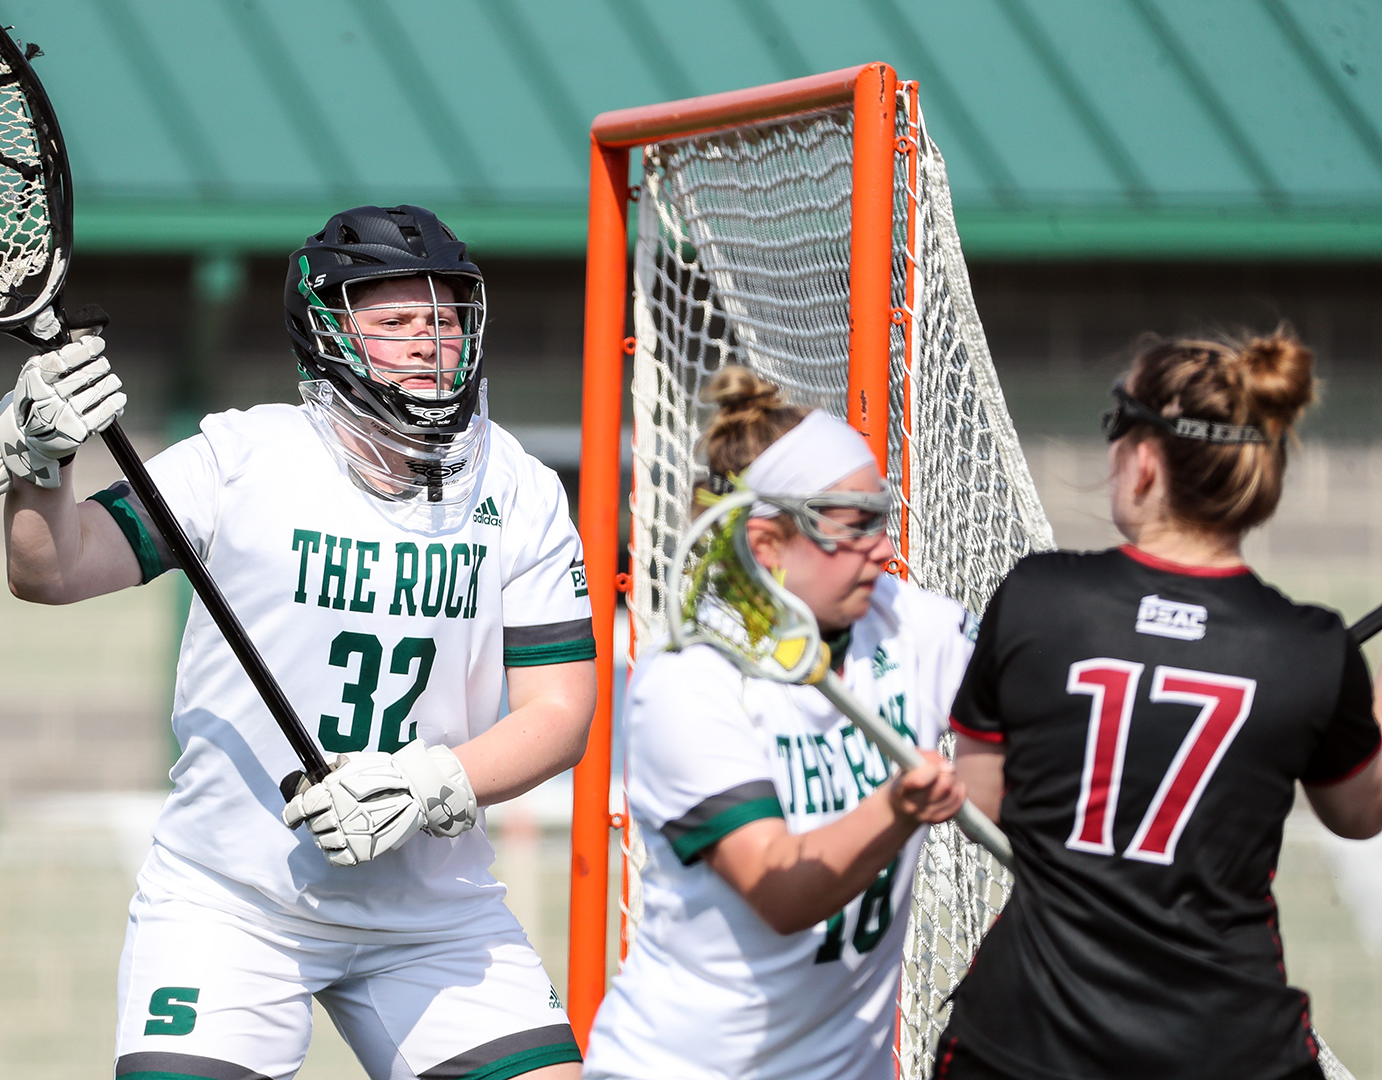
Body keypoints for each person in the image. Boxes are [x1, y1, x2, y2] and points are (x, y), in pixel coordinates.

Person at [0, 206, 595, 1080]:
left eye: (445, 317)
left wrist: (431, 784)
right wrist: (42, 468)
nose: (429, 341)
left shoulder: (520, 487)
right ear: (329, 333)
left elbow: (562, 711)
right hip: (235, 903)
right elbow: (52, 569)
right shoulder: (241, 456)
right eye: (395, 321)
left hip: (432, 910)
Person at [936, 330, 1382, 1080]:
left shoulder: (1039, 598)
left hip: (1025, 1040)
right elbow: (1361, 813)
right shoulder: (1310, 648)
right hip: (1225, 1049)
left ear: (1145, 461)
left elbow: (980, 798)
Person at [583, 368, 971, 1080]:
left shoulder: (906, 624)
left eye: (880, 518)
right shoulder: (691, 684)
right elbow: (779, 893)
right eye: (854, 525)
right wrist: (897, 808)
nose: (883, 550)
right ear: (765, 545)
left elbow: (1027, 717)